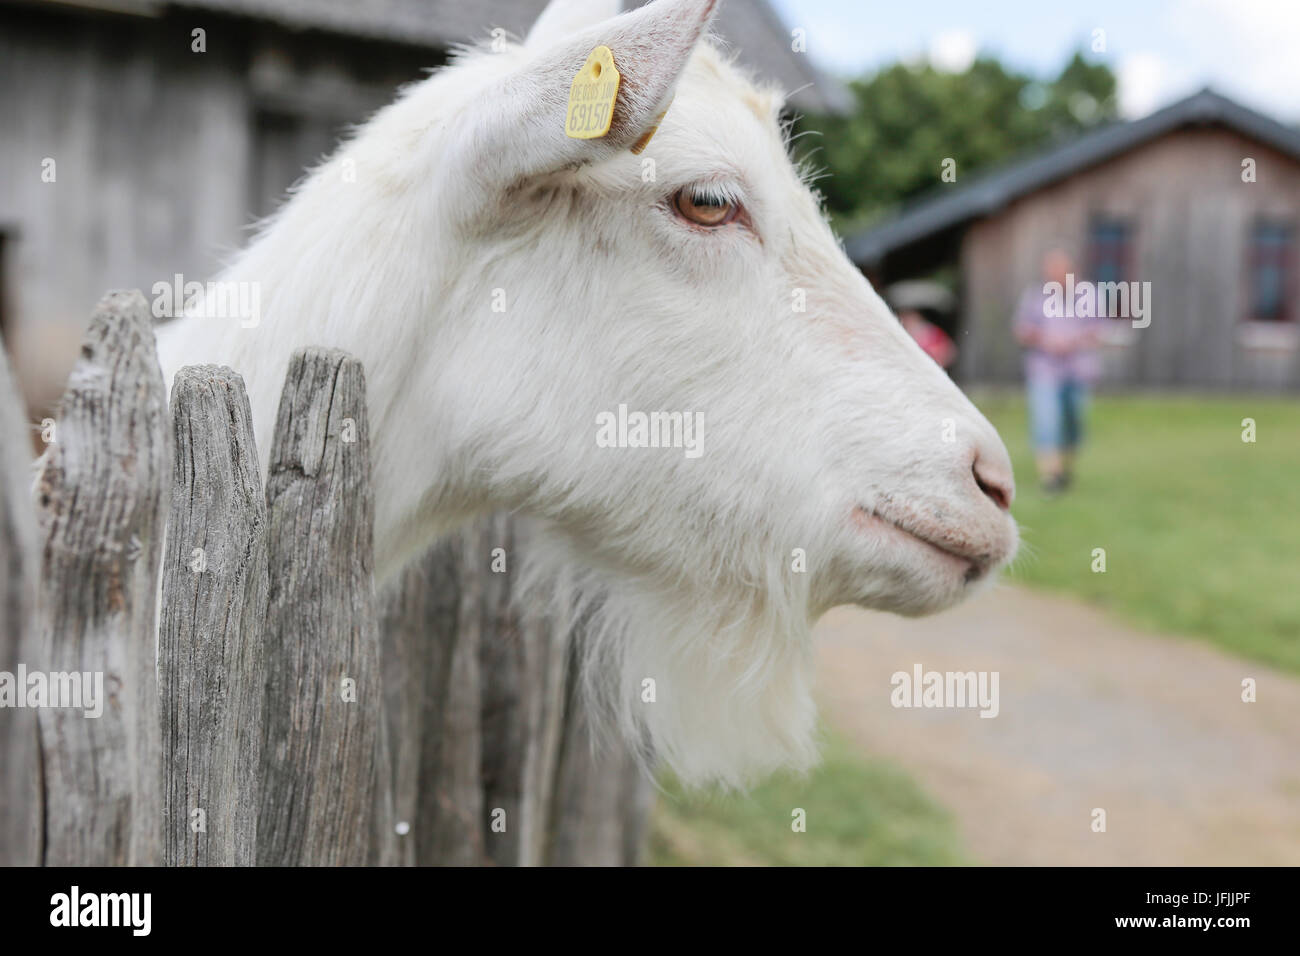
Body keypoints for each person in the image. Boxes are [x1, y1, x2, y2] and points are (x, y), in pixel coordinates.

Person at [1013, 248, 1103, 494]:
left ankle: (1065, 469)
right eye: (1050, 269)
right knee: (1046, 419)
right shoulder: (1035, 295)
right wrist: (1045, 339)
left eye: (1059, 269)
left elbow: (1098, 329)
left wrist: (1072, 340)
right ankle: (1050, 477)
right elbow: (1022, 329)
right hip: (1044, 368)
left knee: (1073, 422)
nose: (1054, 274)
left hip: (1077, 369)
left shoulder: (1089, 294)